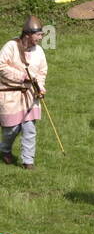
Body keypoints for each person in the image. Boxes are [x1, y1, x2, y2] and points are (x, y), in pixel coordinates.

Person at [0, 16, 47, 170]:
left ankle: (28, 161)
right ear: (28, 34)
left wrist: (40, 87)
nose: (40, 38)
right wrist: (22, 76)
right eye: (38, 35)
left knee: (29, 128)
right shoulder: (11, 46)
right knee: (11, 130)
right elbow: (1, 66)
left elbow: (42, 71)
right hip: (10, 94)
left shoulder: (39, 51)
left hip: (30, 94)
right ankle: (4, 150)